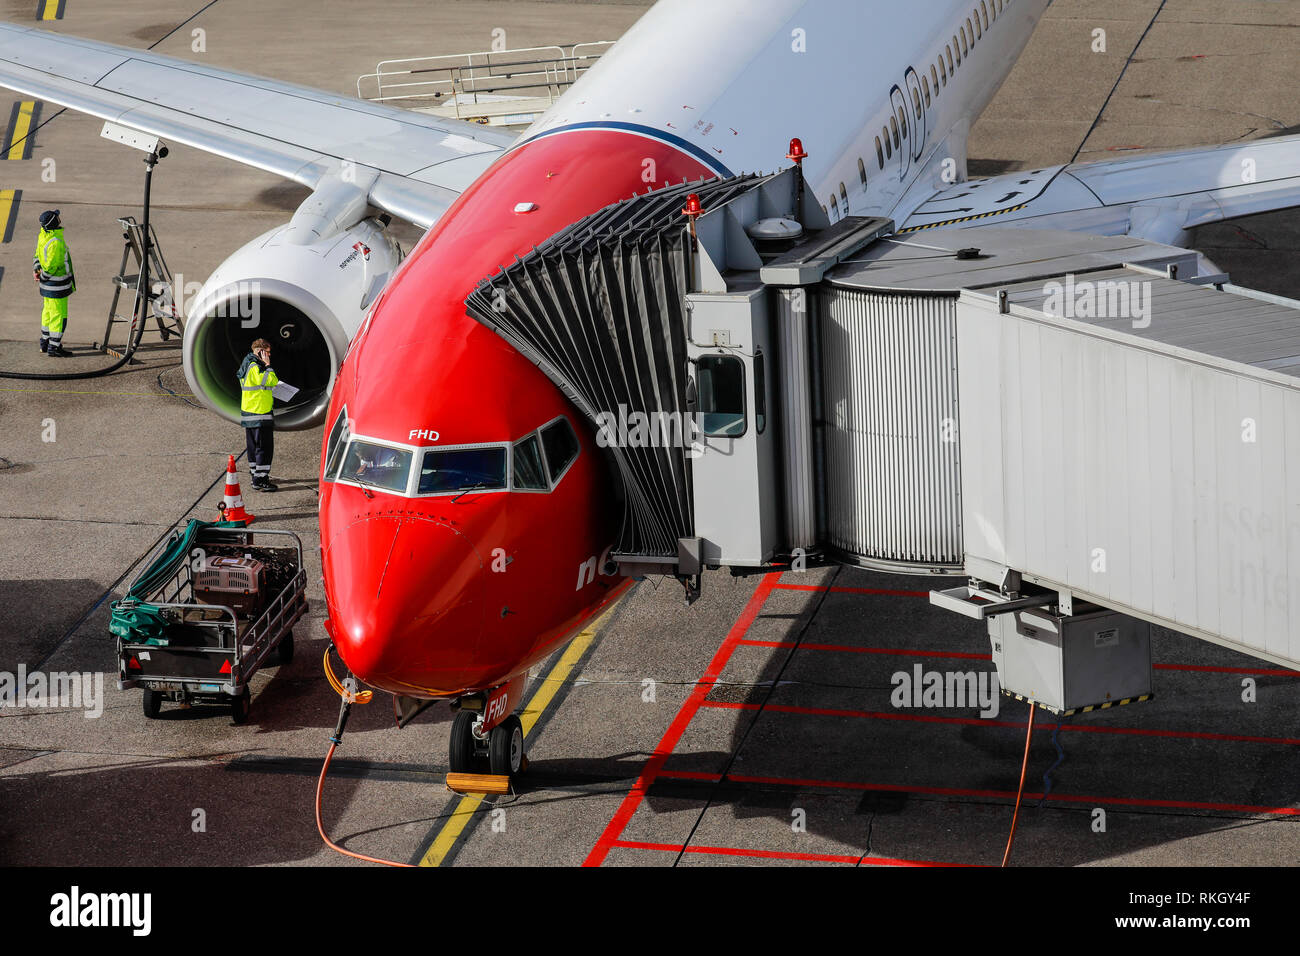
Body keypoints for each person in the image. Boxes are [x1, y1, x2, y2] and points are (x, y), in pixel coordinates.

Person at [238, 338, 279, 491]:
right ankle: (260, 480)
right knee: (264, 448)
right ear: (260, 352)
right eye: (267, 352)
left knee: (253, 447)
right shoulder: (256, 367)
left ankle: (256, 474)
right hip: (260, 414)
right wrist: (268, 366)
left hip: (250, 414)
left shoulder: (246, 365)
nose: (269, 355)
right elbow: (272, 381)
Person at [32, 209, 75, 357]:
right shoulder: (56, 242)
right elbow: (52, 266)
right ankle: (54, 346)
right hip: (58, 286)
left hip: (46, 287)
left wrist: (37, 271)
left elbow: (37, 255)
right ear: (55, 222)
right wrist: (44, 276)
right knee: (59, 315)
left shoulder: (43, 235)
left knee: (48, 312)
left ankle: (44, 342)